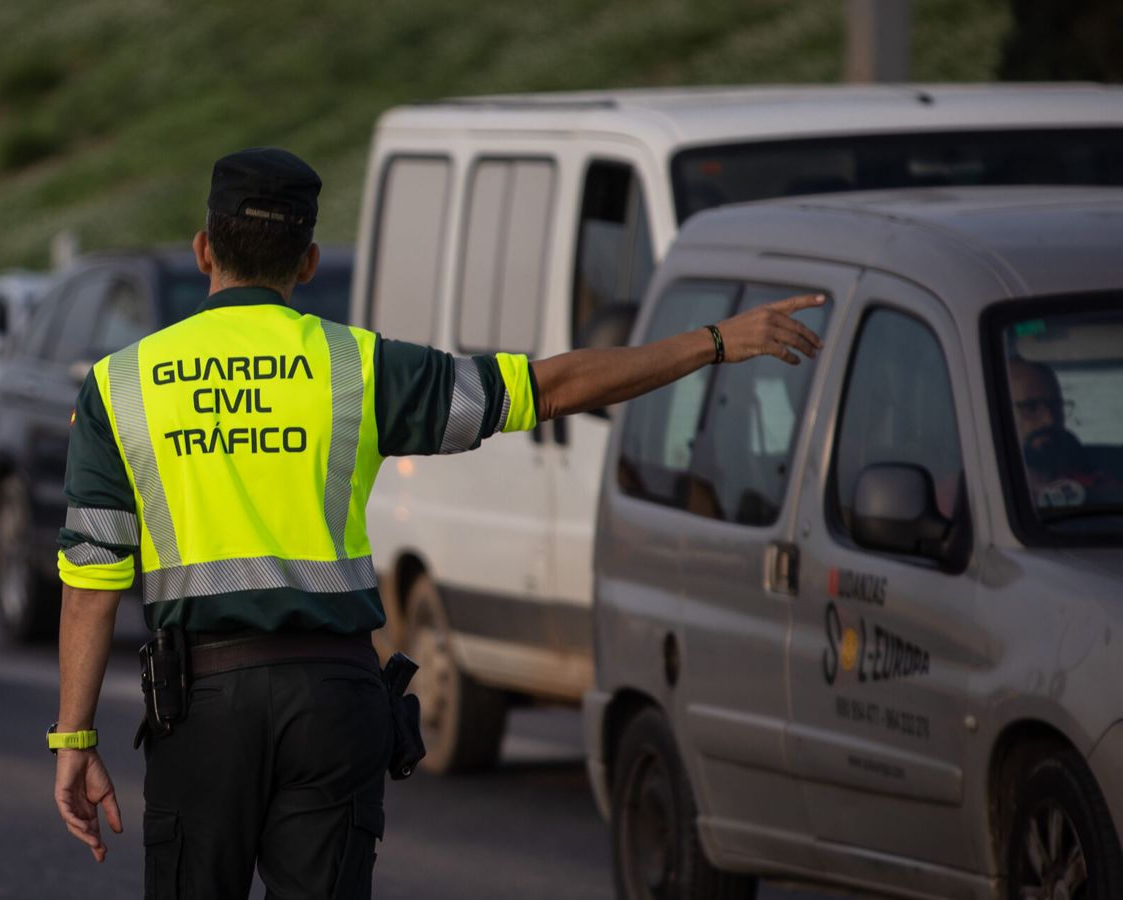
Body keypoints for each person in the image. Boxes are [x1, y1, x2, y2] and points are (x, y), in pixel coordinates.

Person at [49, 147, 823, 898]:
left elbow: (92, 582)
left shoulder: (122, 387)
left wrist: (75, 740)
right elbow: (550, 387)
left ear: (203, 249)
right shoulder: (362, 368)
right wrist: (717, 341)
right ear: (309, 261)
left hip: (202, 707)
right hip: (334, 700)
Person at [1007, 356, 1117, 508]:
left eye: (1056, 406)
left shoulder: (1098, 486)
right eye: (1031, 407)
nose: (1049, 420)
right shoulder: (985, 488)